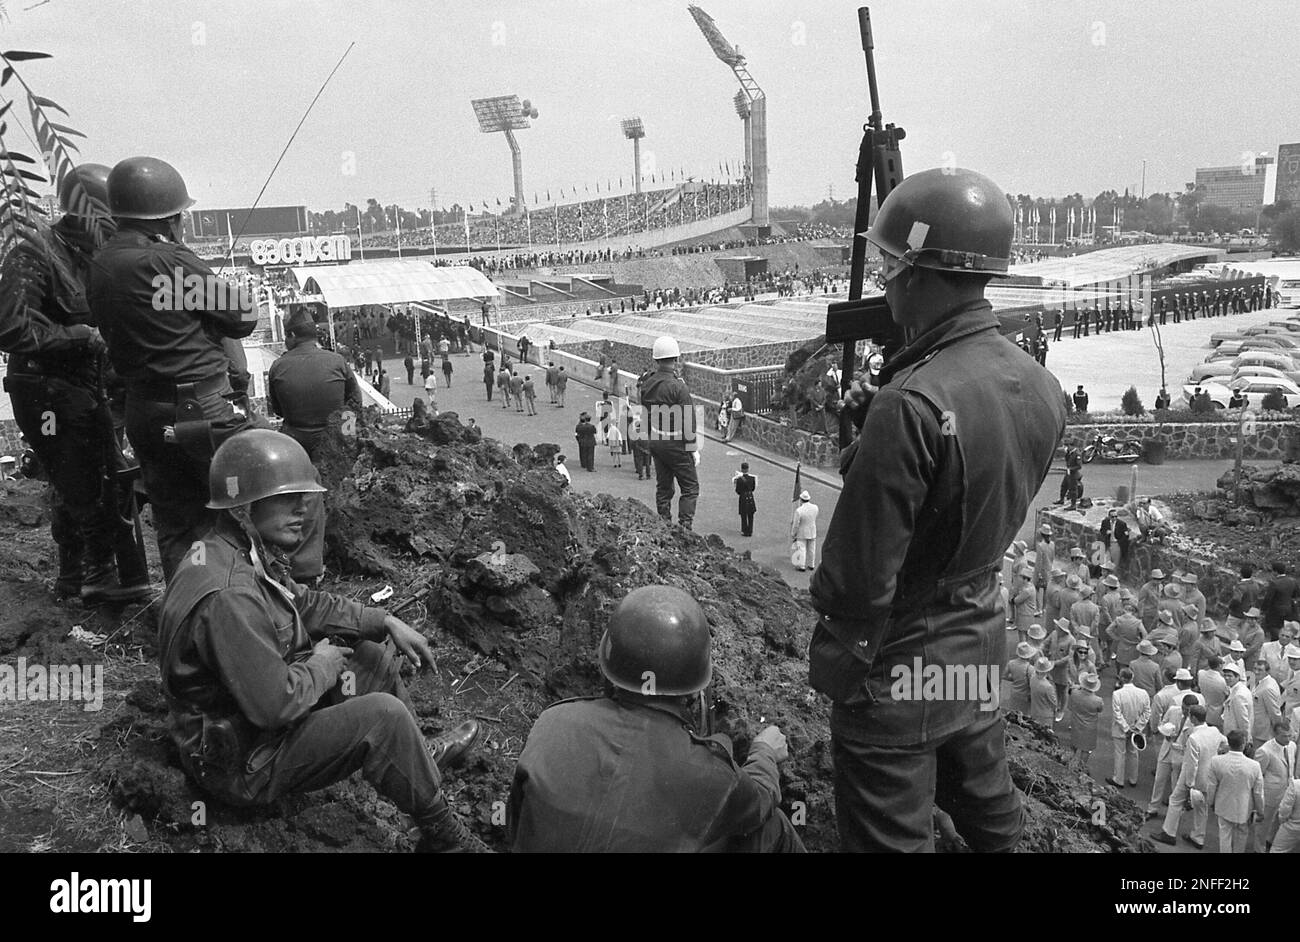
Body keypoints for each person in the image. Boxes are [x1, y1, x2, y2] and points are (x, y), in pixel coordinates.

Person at [807, 168, 1064, 852]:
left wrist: (873, 453)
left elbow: (854, 583)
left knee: (892, 836)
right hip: (978, 644)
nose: (886, 278)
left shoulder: (909, 405)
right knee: (991, 823)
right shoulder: (1041, 384)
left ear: (918, 273)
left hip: (899, 669)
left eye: (891, 263)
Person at [157, 430, 485, 852]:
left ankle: (415, 757)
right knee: (381, 717)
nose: (302, 509)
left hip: (246, 729)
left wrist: (382, 619)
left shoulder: (233, 548)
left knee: (368, 657)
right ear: (243, 506)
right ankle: (446, 835)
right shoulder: (230, 595)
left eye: (303, 496)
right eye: (285, 497)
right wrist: (322, 665)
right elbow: (275, 706)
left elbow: (305, 603)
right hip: (238, 764)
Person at [507, 585, 805, 852]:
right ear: (694, 687)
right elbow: (761, 802)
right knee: (770, 826)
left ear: (608, 663)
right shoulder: (711, 775)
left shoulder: (553, 722)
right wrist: (764, 753)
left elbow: (516, 826)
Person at [88, 157, 259, 584]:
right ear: (170, 218)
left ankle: (188, 623)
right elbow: (243, 316)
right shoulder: (167, 261)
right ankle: (252, 619)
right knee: (243, 509)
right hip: (201, 409)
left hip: (146, 410)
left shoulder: (102, 263)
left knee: (177, 526)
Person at [0, 163, 151, 605]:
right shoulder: (32, 250)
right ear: (84, 214)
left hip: (82, 385)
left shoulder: (92, 254)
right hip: (44, 387)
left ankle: (76, 581)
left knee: (89, 481)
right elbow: (12, 331)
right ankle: (95, 578)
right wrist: (81, 337)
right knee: (84, 485)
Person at [267, 310, 362, 581]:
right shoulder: (337, 360)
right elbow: (354, 403)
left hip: (295, 441)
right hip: (334, 440)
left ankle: (299, 560)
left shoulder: (279, 366)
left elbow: (277, 409)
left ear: (293, 336)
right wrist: (345, 435)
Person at [638, 336, 700, 530]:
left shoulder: (647, 384)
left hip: (656, 440)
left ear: (656, 360)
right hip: (676, 443)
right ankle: (684, 528)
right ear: (676, 359)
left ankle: (664, 523)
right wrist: (693, 448)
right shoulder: (678, 387)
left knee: (664, 486)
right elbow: (688, 420)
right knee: (690, 488)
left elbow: (645, 413)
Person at [1155, 705, 1224, 848]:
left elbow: (1192, 764)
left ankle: (1169, 833)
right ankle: (1198, 837)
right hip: (1209, 777)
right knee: (1202, 807)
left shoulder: (1194, 738)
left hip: (1192, 777)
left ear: (1193, 718)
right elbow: (1225, 743)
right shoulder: (1214, 731)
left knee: (1175, 800)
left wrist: (1189, 784)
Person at [1205, 730, 1266, 854]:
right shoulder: (1254, 766)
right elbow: (1258, 792)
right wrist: (1260, 810)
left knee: (1224, 835)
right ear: (1243, 744)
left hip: (1223, 804)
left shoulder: (1216, 761)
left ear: (1229, 743)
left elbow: (1211, 786)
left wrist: (1210, 802)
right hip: (1244, 808)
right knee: (1242, 836)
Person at [1108, 667, 1151, 788]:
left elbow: (1117, 714)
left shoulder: (1117, 694)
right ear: (1132, 677)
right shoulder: (1143, 693)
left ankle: (1118, 779)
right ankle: (1133, 779)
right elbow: (1147, 712)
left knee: (1120, 754)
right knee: (1133, 753)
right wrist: (1137, 727)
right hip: (1136, 730)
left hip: (1120, 730)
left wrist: (1126, 728)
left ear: (1121, 678)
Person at [1256, 722, 1296, 852]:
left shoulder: (1292, 746)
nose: (1288, 739)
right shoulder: (1264, 751)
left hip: (1287, 790)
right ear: (1275, 734)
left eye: (1289, 735)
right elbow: (1258, 776)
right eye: (1284, 736)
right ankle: (1259, 848)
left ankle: (1270, 841)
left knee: (1279, 820)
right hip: (1270, 793)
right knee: (1263, 824)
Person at [1066, 672, 1104, 768]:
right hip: (1089, 727)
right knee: (1086, 749)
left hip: (1076, 723)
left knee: (1073, 745)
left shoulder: (1074, 693)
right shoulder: (1098, 700)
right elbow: (1100, 710)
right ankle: (1080, 768)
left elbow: (1070, 705)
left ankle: (1066, 764)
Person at [1263, 561, 1299, 642]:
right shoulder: (1293, 581)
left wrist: (1263, 609)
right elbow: (1296, 595)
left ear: (1275, 571)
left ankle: (1277, 643)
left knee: (1274, 629)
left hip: (1275, 611)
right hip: (1289, 610)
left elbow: (1268, 598)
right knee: (1285, 629)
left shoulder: (1274, 583)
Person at [790, 490, 818, 573]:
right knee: (812, 548)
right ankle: (811, 564)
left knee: (802, 548)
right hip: (812, 530)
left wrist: (793, 533)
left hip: (802, 532)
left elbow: (796, 524)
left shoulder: (799, 511)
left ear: (801, 500)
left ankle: (802, 565)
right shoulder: (815, 507)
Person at [733, 461, 756, 537]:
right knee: (750, 515)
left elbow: (737, 490)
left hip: (743, 497)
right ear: (748, 469)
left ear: (741, 469)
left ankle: (744, 530)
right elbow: (753, 488)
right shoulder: (752, 478)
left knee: (743, 515)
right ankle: (750, 531)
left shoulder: (739, 480)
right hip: (750, 497)